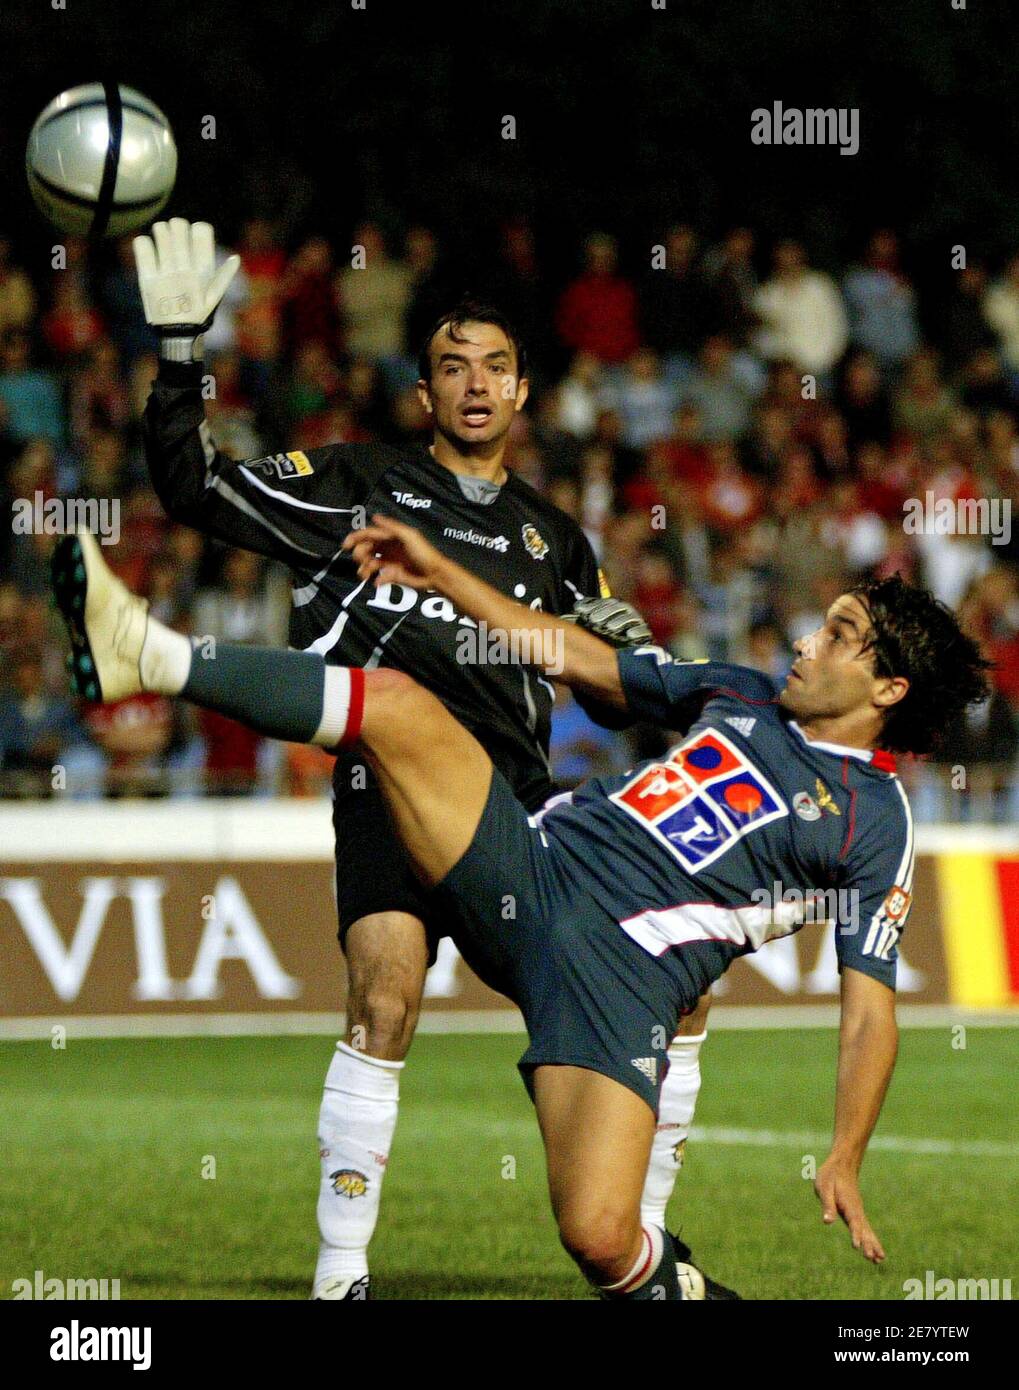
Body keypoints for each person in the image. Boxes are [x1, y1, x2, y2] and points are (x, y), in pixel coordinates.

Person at [52, 517, 991, 1300]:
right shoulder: (737, 692)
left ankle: (683, 1288)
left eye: (835, 635)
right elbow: (573, 656)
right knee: (401, 705)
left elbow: (869, 1003)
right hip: (532, 864)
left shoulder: (875, 824)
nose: (802, 640)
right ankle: (148, 651)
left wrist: (844, 1152)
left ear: (886, 689)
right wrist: (445, 575)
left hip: (617, 981)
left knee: (598, 1239)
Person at [129, 219, 725, 1300]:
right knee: (385, 997)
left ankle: (643, 1249)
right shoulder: (356, 485)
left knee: (673, 989)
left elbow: (608, 665)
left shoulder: (554, 540)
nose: (475, 384)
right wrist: (179, 358)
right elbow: (191, 489)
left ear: (525, 392)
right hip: (386, 792)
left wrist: (643, 661)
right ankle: (340, 1278)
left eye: (495, 365)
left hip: (515, 817)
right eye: (451, 367)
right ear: (423, 395)